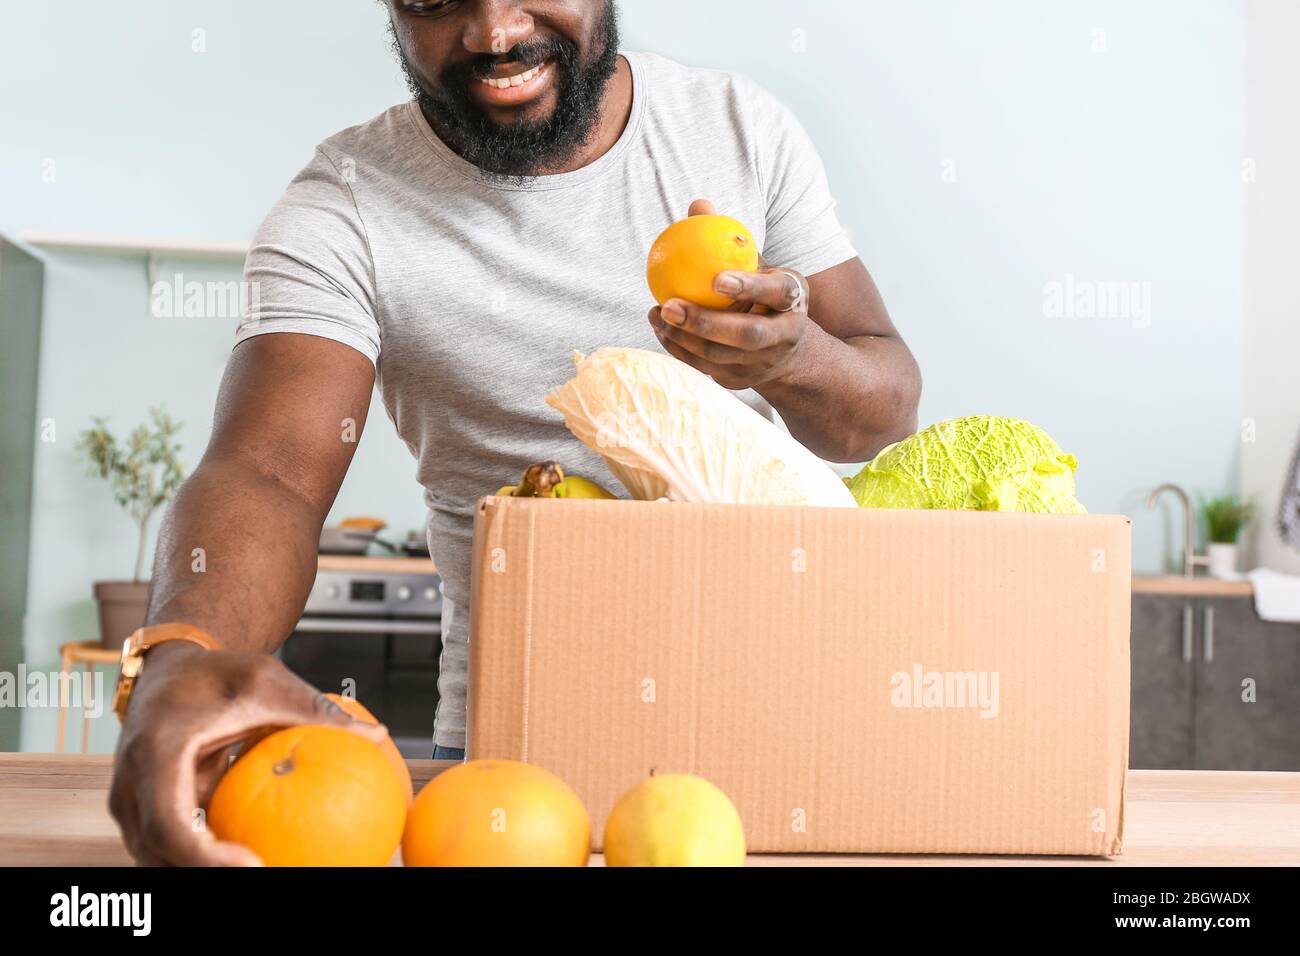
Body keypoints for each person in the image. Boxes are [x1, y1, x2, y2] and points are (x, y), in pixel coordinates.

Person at [108, 0, 920, 864]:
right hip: (503, 777)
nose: (495, 30)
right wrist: (179, 653)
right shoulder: (344, 205)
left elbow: (884, 411)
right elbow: (269, 472)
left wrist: (791, 360)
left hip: (764, 742)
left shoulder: (737, 131)